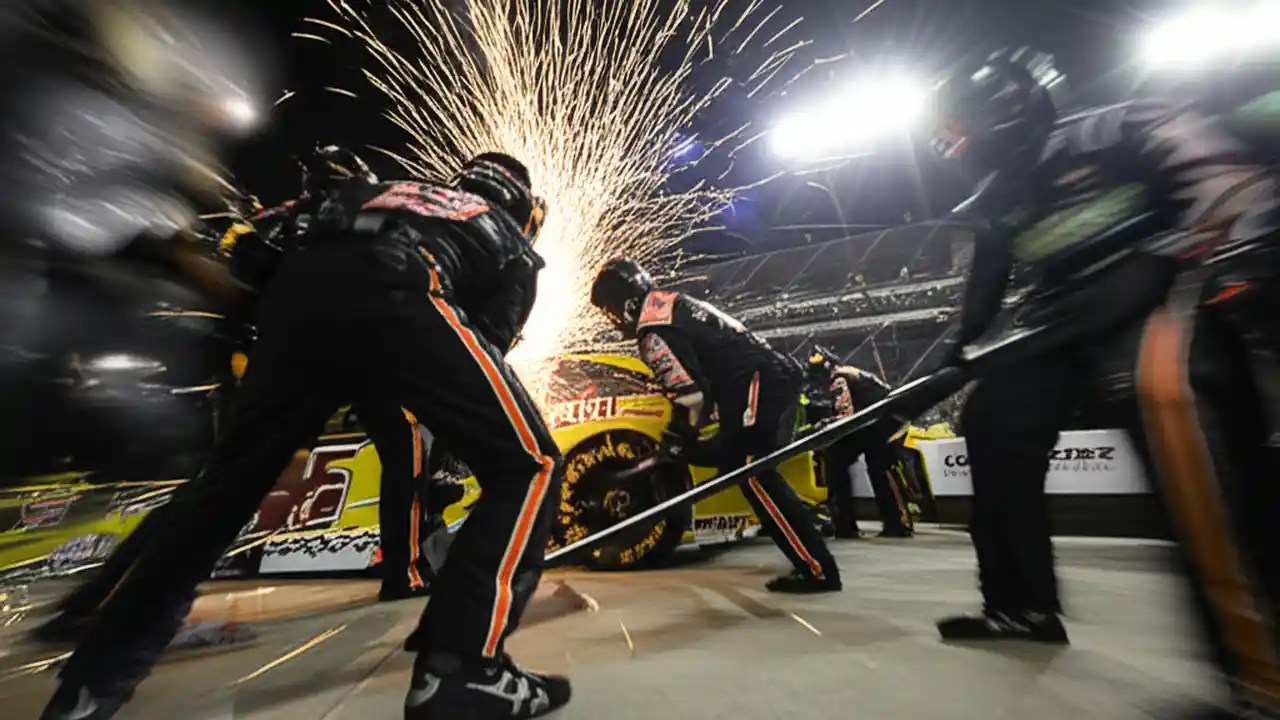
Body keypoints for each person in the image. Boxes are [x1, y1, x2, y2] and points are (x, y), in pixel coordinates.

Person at [41, 152, 568, 720]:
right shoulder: (512, 245)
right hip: (403, 288)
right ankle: (463, 672)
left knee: (215, 502)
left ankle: (87, 690)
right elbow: (480, 353)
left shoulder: (378, 189)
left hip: (296, 300)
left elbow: (248, 251)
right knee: (529, 462)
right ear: (522, 207)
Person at [929, 48, 1280, 718]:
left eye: (958, 126)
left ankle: (1262, 680)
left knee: (1166, 396)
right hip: (1063, 321)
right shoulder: (995, 199)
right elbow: (985, 290)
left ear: (1003, 108)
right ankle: (1021, 606)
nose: (952, 143)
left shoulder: (1116, 127)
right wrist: (959, 354)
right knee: (993, 419)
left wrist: (1164, 258)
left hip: (1168, 288)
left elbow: (1233, 188)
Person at [590, 259, 841, 593]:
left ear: (624, 303)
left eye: (608, 309)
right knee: (739, 465)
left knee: (754, 473)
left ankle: (817, 569)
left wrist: (677, 438)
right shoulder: (672, 304)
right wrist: (688, 444)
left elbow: (691, 395)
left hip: (757, 384)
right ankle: (812, 558)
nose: (610, 319)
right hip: (766, 379)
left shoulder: (651, 330)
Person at [802, 346, 914, 539]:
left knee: (879, 469)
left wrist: (819, 427)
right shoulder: (848, 374)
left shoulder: (840, 378)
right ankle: (844, 523)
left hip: (885, 424)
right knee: (836, 461)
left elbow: (846, 415)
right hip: (870, 424)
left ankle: (896, 522)